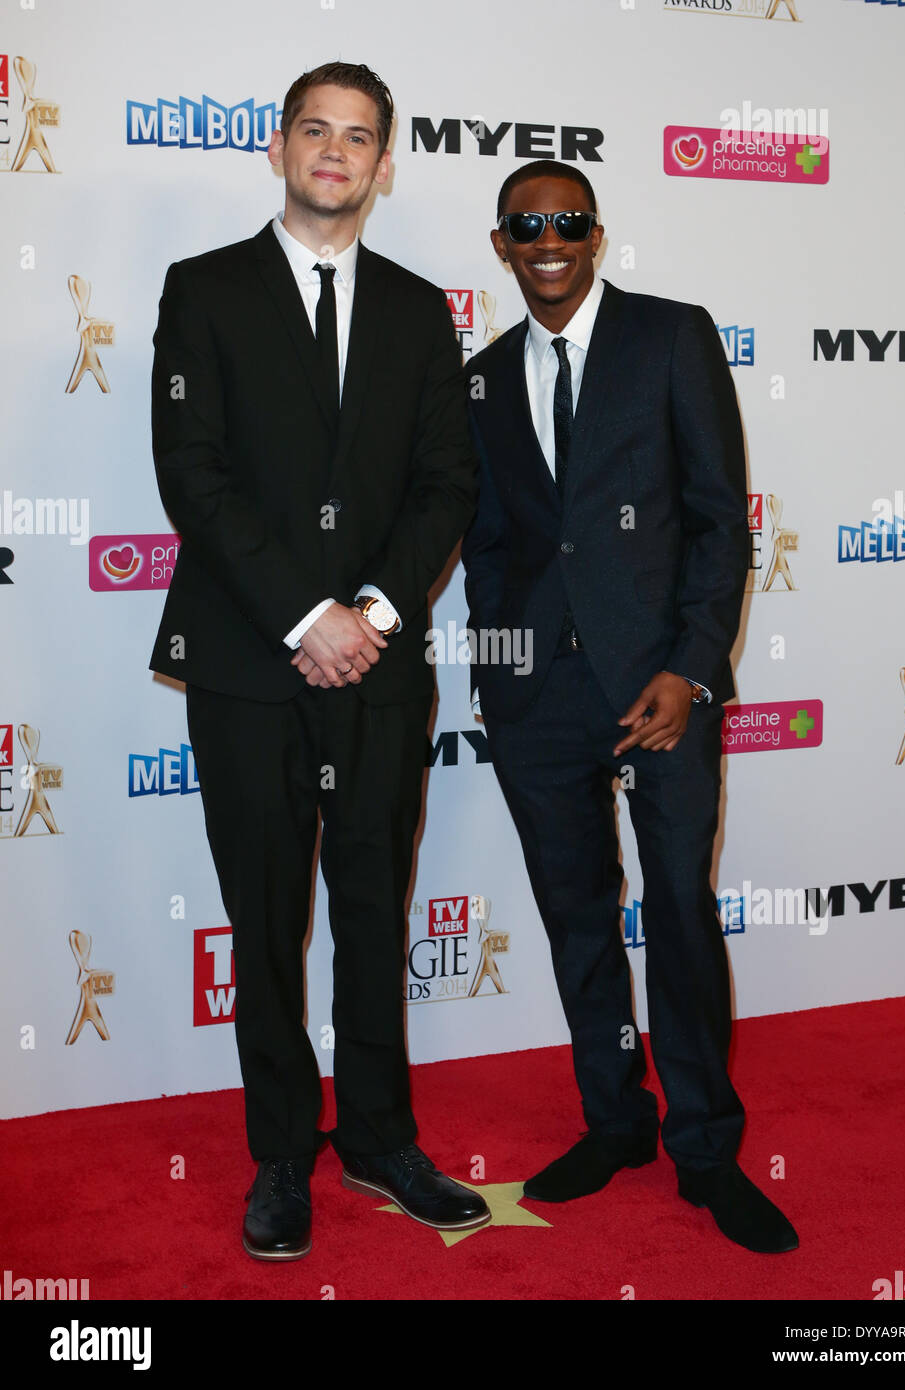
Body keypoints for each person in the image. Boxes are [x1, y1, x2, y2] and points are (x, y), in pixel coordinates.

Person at [149, 61, 485, 1261]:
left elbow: (448, 478)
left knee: (369, 911)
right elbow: (192, 473)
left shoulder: (417, 308)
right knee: (264, 916)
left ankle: (384, 1138)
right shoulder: (203, 291)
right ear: (281, 148)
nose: (335, 152)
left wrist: (378, 611)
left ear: (385, 165)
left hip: (382, 671)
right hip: (250, 666)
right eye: (315, 131)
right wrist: (308, 614)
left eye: (358, 137)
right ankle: (281, 1154)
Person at [462, 160, 797, 1253]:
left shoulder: (671, 336)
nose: (548, 239)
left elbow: (718, 519)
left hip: (660, 682)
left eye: (567, 221)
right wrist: (497, 675)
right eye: (527, 224)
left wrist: (692, 668)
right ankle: (617, 1120)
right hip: (538, 696)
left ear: (596, 237)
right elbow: (493, 547)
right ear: (503, 242)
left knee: (683, 916)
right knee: (576, 919)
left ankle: (706, 1147)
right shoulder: (482, 377)